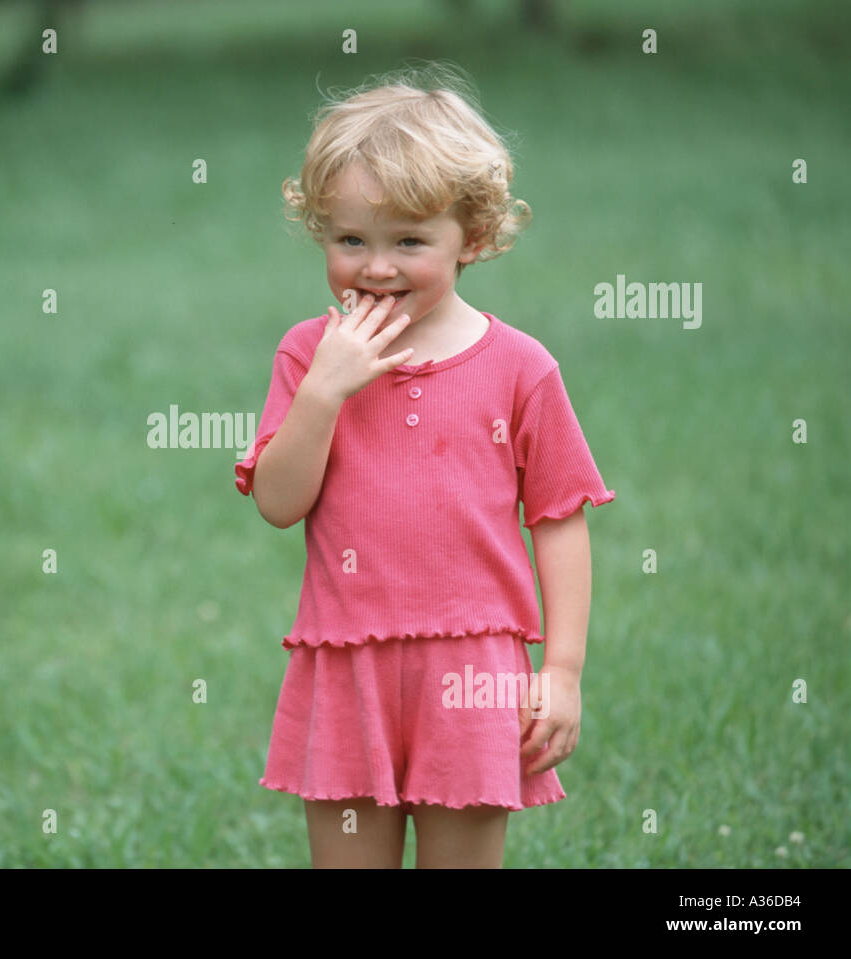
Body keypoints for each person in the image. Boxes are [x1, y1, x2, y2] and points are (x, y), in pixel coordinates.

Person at [234, 64, 616, 868]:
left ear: (470, 236)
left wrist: (566, 669)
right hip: (347, 666)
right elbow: (277, 501)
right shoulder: (309, 354)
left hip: (474, 674)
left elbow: (558, 519)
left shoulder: (520, 367)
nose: (376, 267)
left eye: (409, 241)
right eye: (351, 241)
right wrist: (323, 395)